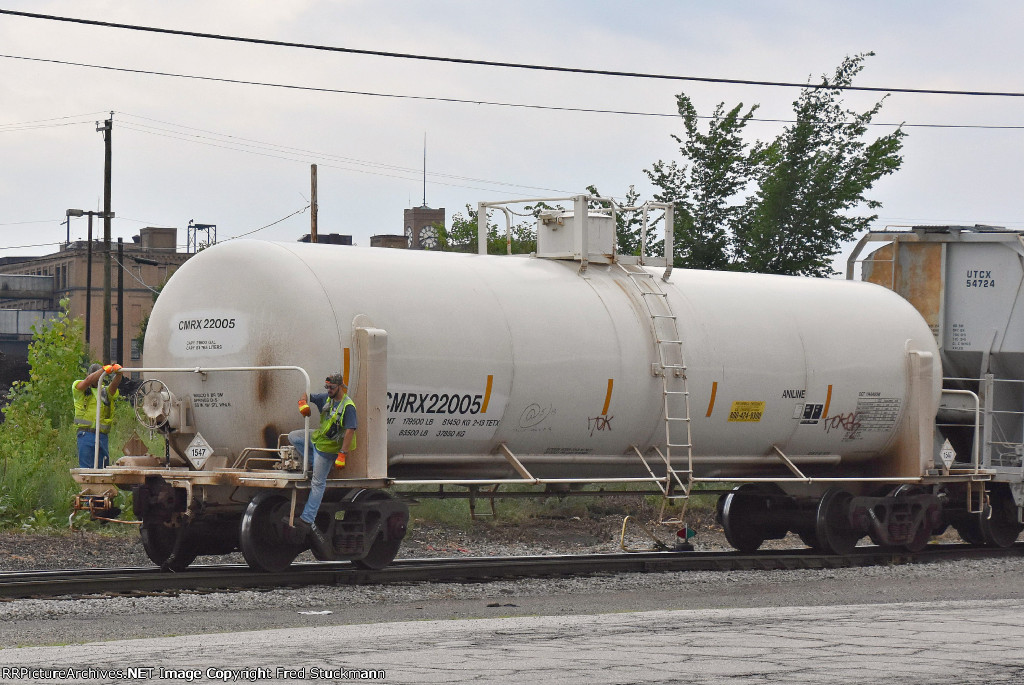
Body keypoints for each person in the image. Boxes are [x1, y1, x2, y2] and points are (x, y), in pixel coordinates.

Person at [287, 372, 357, 553]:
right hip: (319, 440)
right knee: (294, 437)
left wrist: (342, 454)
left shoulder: (348, 406)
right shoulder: (326, 397)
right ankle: (314, 463)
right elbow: (306, 394)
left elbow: (350, 430)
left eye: (331, 388)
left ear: (340, 387)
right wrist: (302, 403)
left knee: (318, 483)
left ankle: (306, 521)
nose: (328, 390)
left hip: (329, 449)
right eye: (327, 387)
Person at [73, 363, 123, 469]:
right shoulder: (80, 389)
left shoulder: (105, 391)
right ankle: (87, 486)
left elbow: (114, 386)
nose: (97, 379)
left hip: (102, 436)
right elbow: (88, 381)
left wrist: (119, 374)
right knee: (86, 469)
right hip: (85, 434)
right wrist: (103, 371)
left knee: (103, 468)